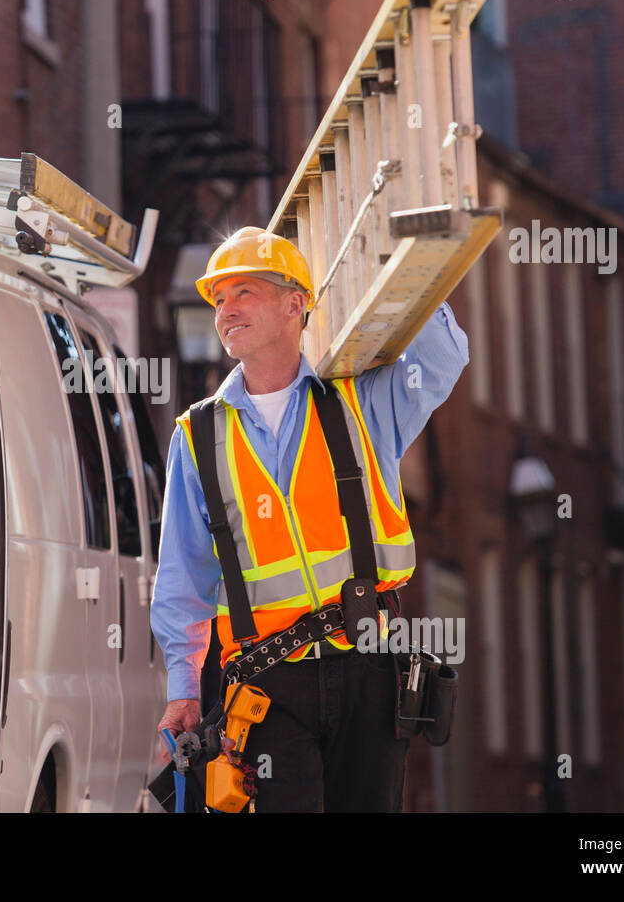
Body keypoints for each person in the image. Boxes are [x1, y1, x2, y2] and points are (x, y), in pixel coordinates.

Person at [151, 225, 468, 812]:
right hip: (266, 689)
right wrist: (182, 689)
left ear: (294, 303)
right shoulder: (197, 436)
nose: (226, 311)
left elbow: (444, 357)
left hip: (371, 668)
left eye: (243, 292)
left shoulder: (361, 404)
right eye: (218, 299)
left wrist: (396, 265)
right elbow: (183, 579)